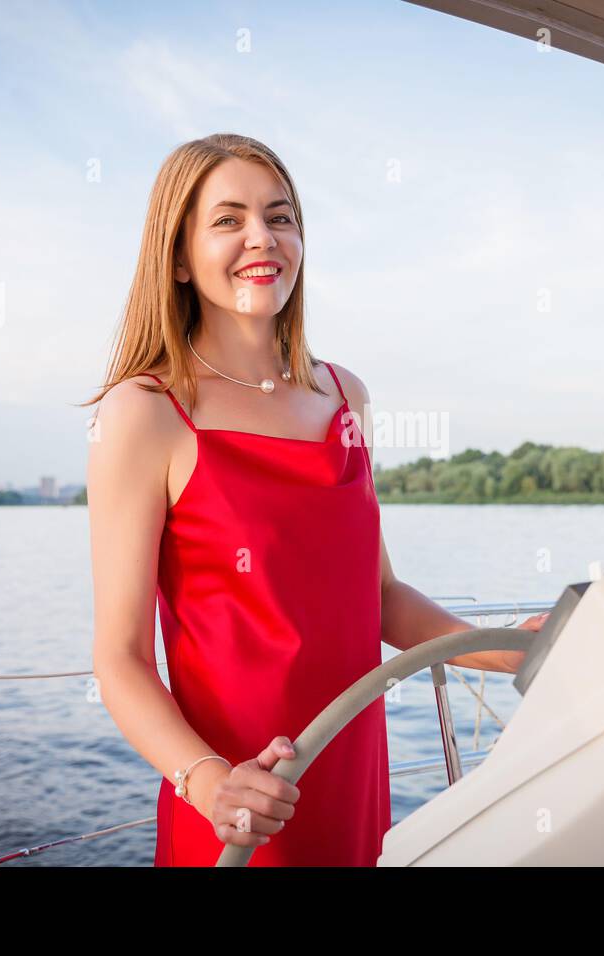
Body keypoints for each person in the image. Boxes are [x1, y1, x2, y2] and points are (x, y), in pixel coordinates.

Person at [81, 133, 549, 866]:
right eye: (228, 219)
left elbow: (382, 595)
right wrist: (210, 786)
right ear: (176, 255)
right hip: (239, 800)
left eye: (281, 216)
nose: (261, 238)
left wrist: (512, 645)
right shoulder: (143, 410)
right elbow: (120, 660)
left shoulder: (344, 395)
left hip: (354, 776)